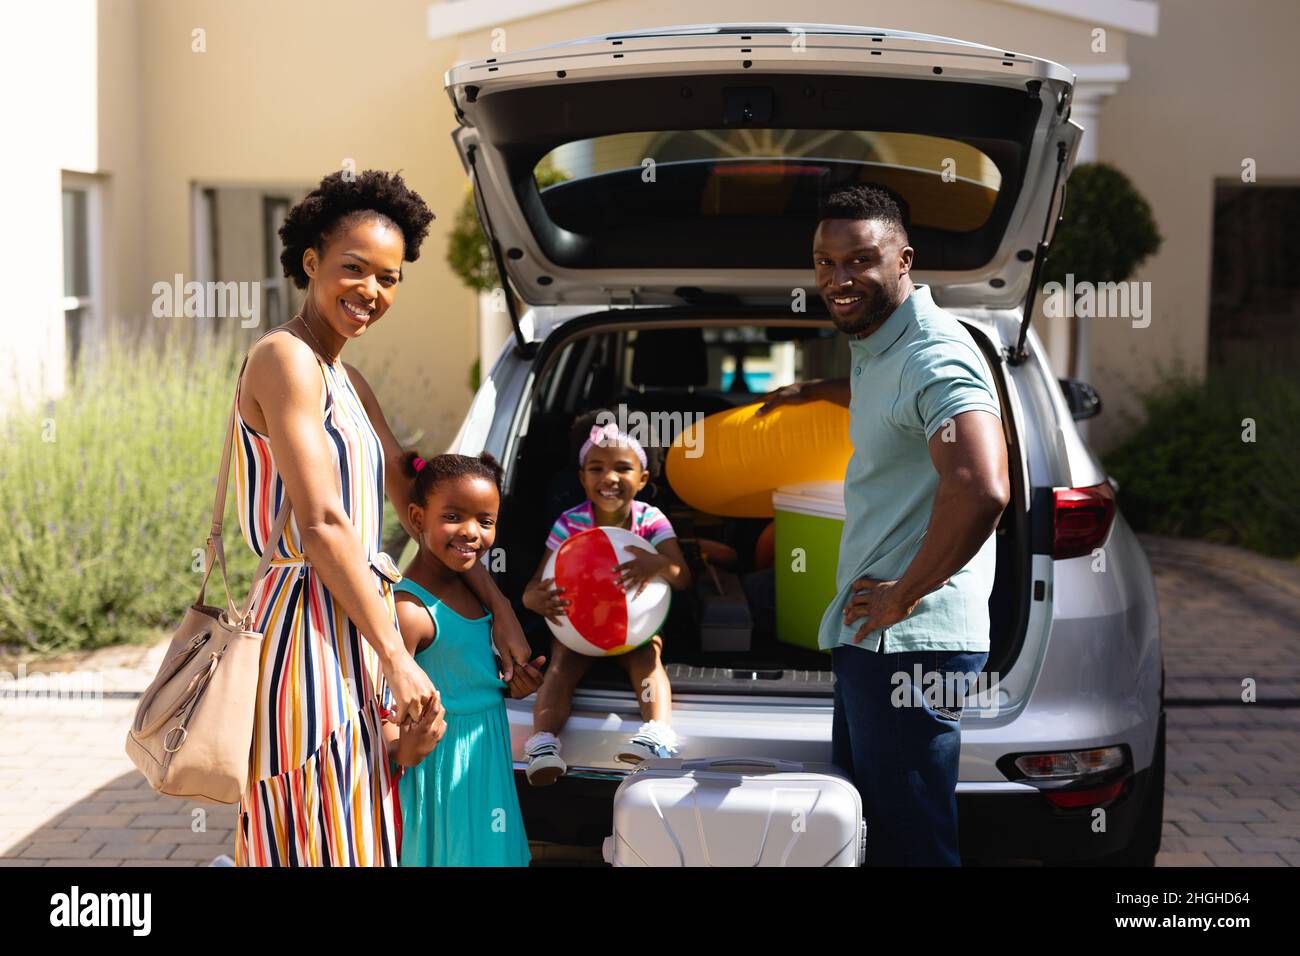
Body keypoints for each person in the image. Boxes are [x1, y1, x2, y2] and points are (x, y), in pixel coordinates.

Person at [231, 169, 534, 866]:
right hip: (307, 626)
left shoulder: (345, 378)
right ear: (311, 263)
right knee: (320, 834)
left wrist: (498, 605)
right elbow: (325, 527)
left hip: (354, 626)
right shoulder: (285, 358)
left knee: (360, 833)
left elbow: (417, 499)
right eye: (354, 269)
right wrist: (396, 657)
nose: (371, 291)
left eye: (389, 278)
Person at [758, 185, 1010, 866]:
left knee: (912, 844)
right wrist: (815, 392)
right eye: (825, 262)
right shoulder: (880, 344)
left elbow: (981, 487)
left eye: (861, 260)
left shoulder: (935, 354)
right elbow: (894, 402)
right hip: (877, 640)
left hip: (910, 643)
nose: (839, 279)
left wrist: (905, 592)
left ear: (904, 260)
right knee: (877, 830)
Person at [388, 451, 543, 866]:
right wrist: (402, 750)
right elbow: (381, 711)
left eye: (485, 521)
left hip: (485, 765)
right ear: (418, 519)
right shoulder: (410, 611)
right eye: (453, 517)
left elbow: (465, 677)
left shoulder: (475, 592)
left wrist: (509, 685)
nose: (471, 532)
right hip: (441, 776)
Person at [521, 410, 692, 785]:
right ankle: (543, 742)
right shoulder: (569, 522)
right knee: (560, 665)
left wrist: (656, 562)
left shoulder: (651, 520)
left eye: (622, 469)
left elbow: (682, 577)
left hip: (635, 629)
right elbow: (533, 587)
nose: (609, 478)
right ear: (582, 479)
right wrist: (536, 601)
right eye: (596, 468)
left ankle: (656, 733)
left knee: (649, 659)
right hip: (579, 628)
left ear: (643, 478)